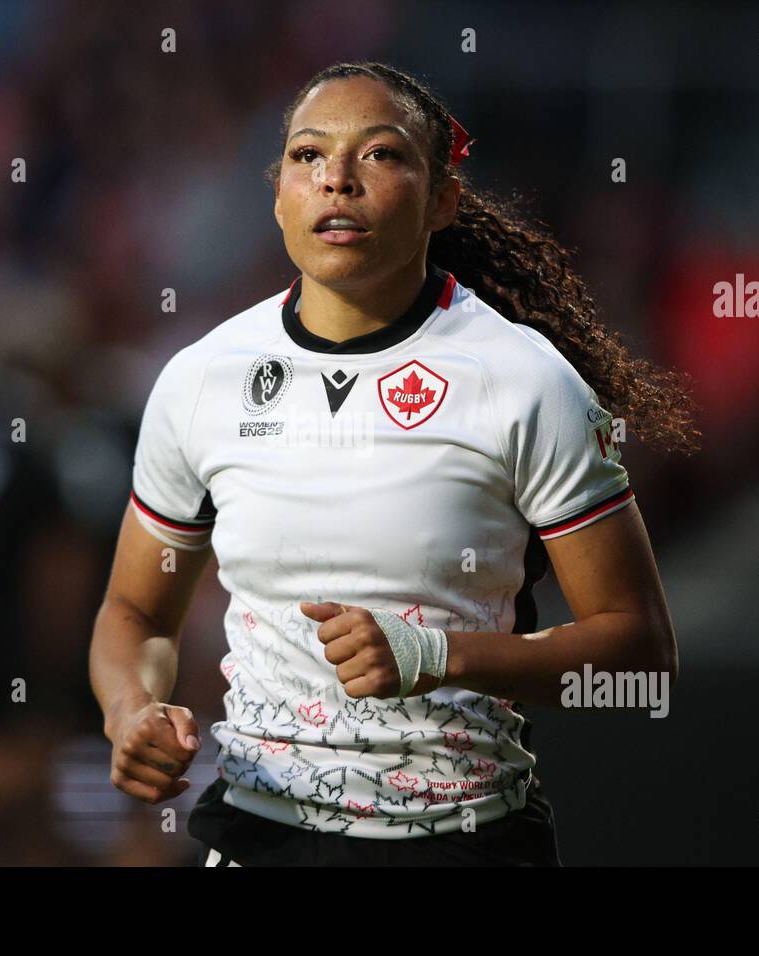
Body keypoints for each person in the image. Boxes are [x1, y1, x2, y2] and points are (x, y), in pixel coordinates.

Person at [90, 61, 698, 867]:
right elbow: (134, 610)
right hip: (256, 836)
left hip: (463, 842)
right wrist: (131, 708)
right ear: (278, 196)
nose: (336, 179)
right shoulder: (202, 379)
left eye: (379, 154)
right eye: (308, 156)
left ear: (444, 198)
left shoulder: (524, 382)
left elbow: (642, 662)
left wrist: (438, 657)